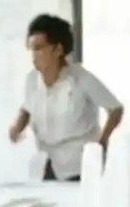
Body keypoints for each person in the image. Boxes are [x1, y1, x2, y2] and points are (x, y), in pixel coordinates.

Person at [8, 14, 123, 181]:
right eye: (31, 48)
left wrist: (101, 142)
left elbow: (115, 109)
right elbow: (28, 107)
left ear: (58, 49)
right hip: (48, 166)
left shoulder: (81, 79)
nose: (34, 55)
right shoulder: (32, 80)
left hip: (79, 167)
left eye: (39, 48)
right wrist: (17, 126)